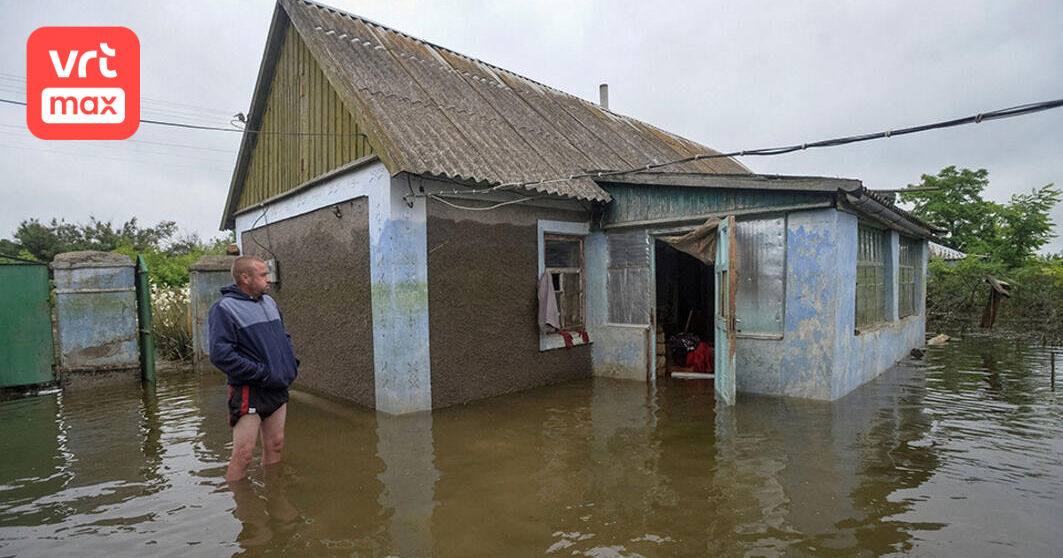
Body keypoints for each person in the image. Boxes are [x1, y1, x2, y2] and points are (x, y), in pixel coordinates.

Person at [209, 256, 299, 481]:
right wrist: (261, 373)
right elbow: (221, 354)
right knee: (243, 454)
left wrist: (290, 365)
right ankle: (243, 511)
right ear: (245, 278)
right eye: (262, 275)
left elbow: (284, 337)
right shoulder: (224, 308)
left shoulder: (269, 303)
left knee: (276, 446)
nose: (268, 280)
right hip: (250, 389)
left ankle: (273, 494)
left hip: (277, 386)